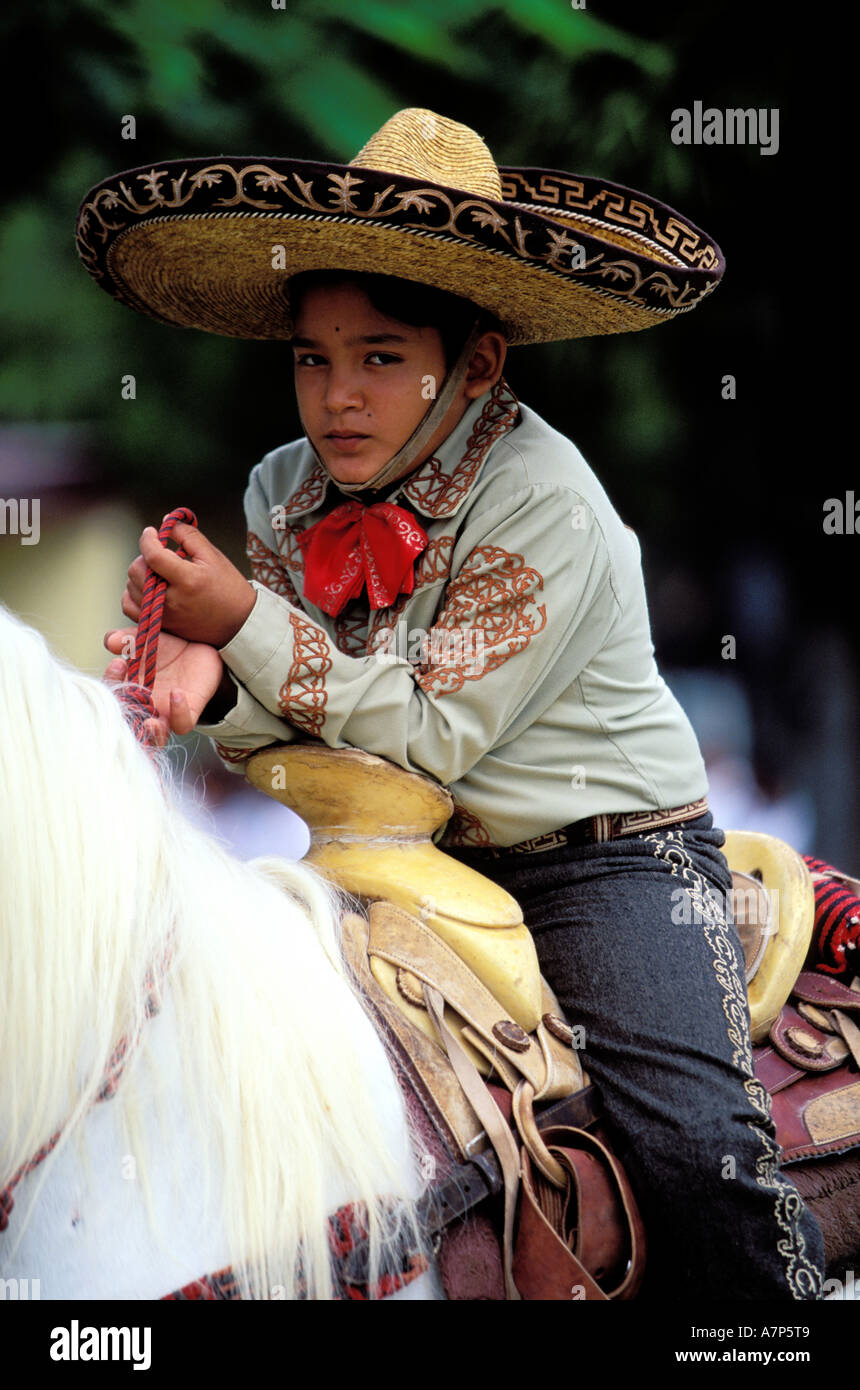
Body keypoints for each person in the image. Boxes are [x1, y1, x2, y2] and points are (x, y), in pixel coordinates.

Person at [87, 108, 824, 1299]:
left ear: (474, 364)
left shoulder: (549, 499)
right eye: (312, 358)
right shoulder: (280, 488)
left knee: (695, 1149)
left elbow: (429, 734)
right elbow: (317, 733)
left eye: (380, 357)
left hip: (606, 867)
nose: (335, 397)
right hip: (389, 858)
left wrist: (241, 625)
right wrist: (216, 686)